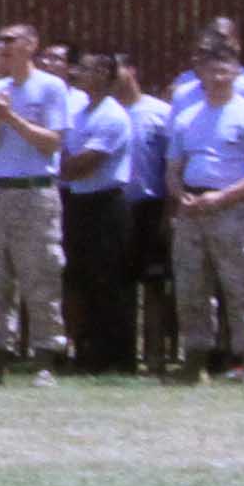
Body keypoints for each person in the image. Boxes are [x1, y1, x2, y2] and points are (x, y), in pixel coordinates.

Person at [0, 26, 78, 381]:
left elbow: (52, 143)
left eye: (10, 41)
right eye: (0, 42)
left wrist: (11, 117)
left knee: (40, 275)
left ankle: (46, 357)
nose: (3, 47)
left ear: (31, 45)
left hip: (36, 191)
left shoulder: (50, 87)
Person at [164, 34, 244, 378]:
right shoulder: (186, 117)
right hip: (192, 210)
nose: (217, 77)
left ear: (236, 73)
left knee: (241, 286)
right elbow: (173, 167)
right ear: (200, 72)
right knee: (191, 286)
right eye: (211, 71)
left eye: (224, 71)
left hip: (234, 210)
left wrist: (224, 197)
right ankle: (195, 358)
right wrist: (179, 195)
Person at [61, 52, 146, 376]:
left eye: (83, 69)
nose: (76, 73)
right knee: (82, 278)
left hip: (106, 205)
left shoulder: (112, 116)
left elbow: (82, 164)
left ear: (102, 74)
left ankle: (118, 357)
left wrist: (58, 163)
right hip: (79, 202)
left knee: (110, 279)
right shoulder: (80, 113)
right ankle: (89, 352)